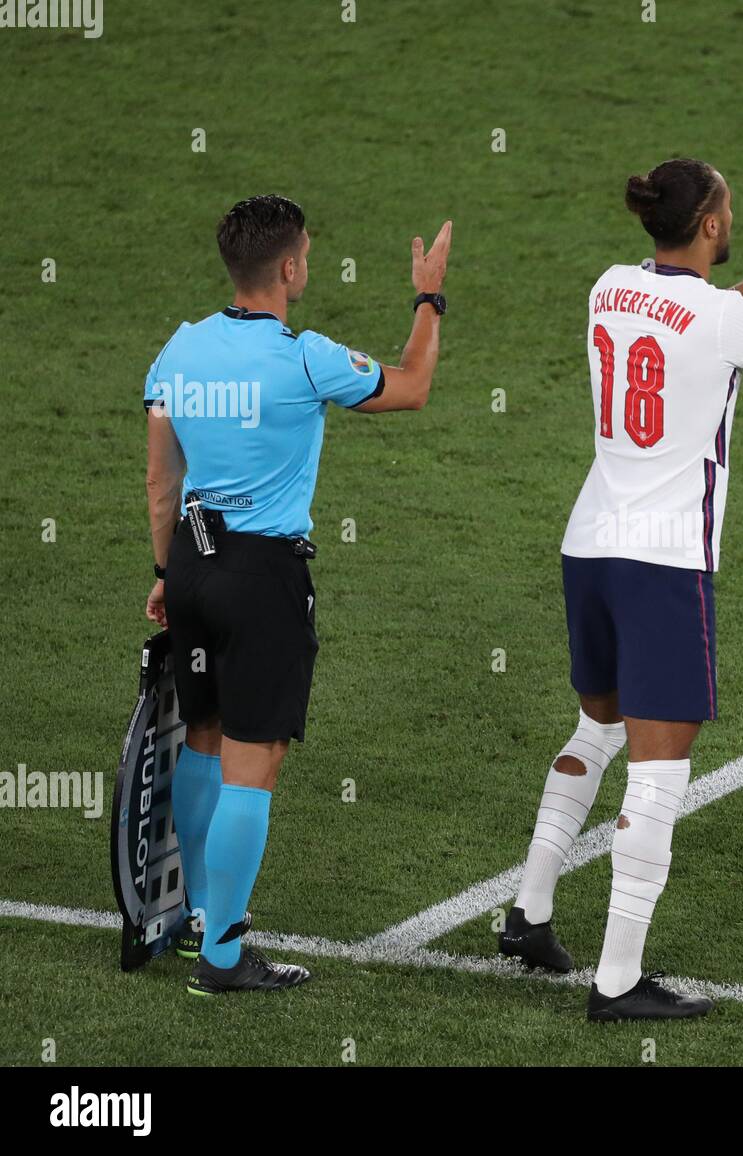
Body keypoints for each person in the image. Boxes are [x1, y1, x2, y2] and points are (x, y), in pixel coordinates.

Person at [499, 158, 743, 1019]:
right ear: (712, 225)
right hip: (662, 565)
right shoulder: (724, 318)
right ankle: (616, 982)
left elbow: (690, 316)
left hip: (590, 546)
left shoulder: (610, 287)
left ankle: (529, 914)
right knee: (659, 775)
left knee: (595, 726)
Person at [143, 194, 452, 993]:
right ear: (287, 268)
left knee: (204, 737)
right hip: (261, 578)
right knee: (256, 759)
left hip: (191, 565)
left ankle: (196, 920)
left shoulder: (177, 350)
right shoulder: (303, 356)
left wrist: (163, 575)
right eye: (306, 254)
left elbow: (160, 480)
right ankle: (221, 960)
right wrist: (428, 298)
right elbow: (413, 385)